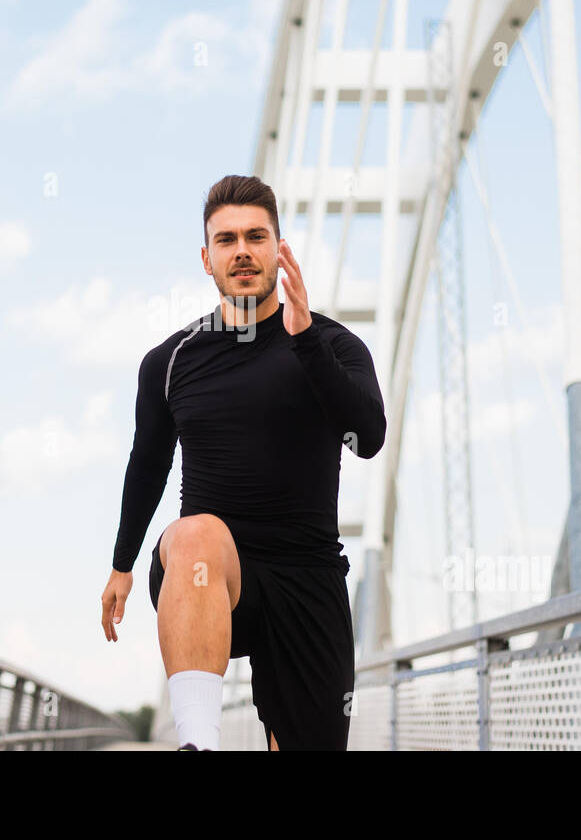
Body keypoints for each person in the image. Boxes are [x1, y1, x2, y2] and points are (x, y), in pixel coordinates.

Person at [100, 174, 387, 751]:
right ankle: (198, 744)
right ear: (207, 259)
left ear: (279, 249)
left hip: (308, 576)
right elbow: (148, 463)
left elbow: (368, 439)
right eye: (226, 240)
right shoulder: (170, 360)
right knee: (198, 533)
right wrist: (122, 564)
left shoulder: (333, 345)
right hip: (212, 575)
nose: (242, 251)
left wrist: (304, 342)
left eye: (256, 237)